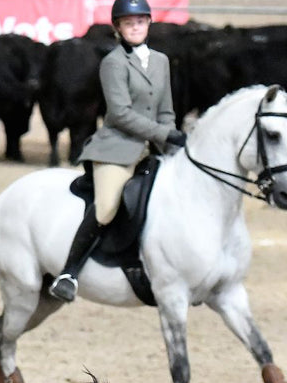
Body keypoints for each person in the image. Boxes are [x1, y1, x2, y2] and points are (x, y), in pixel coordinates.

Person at [49, 0, 184, 302]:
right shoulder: (113, 62)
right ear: (118, 28)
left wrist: (170, 140)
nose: (135, 27)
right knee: (108, 205)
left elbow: (165, 110)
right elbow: (120, 113)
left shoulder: (161, 61)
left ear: (149, 23)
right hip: (116, 148)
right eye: (128, 23)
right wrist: (164, 133)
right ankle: (69, 272)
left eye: (140, 22)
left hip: (152, 148)